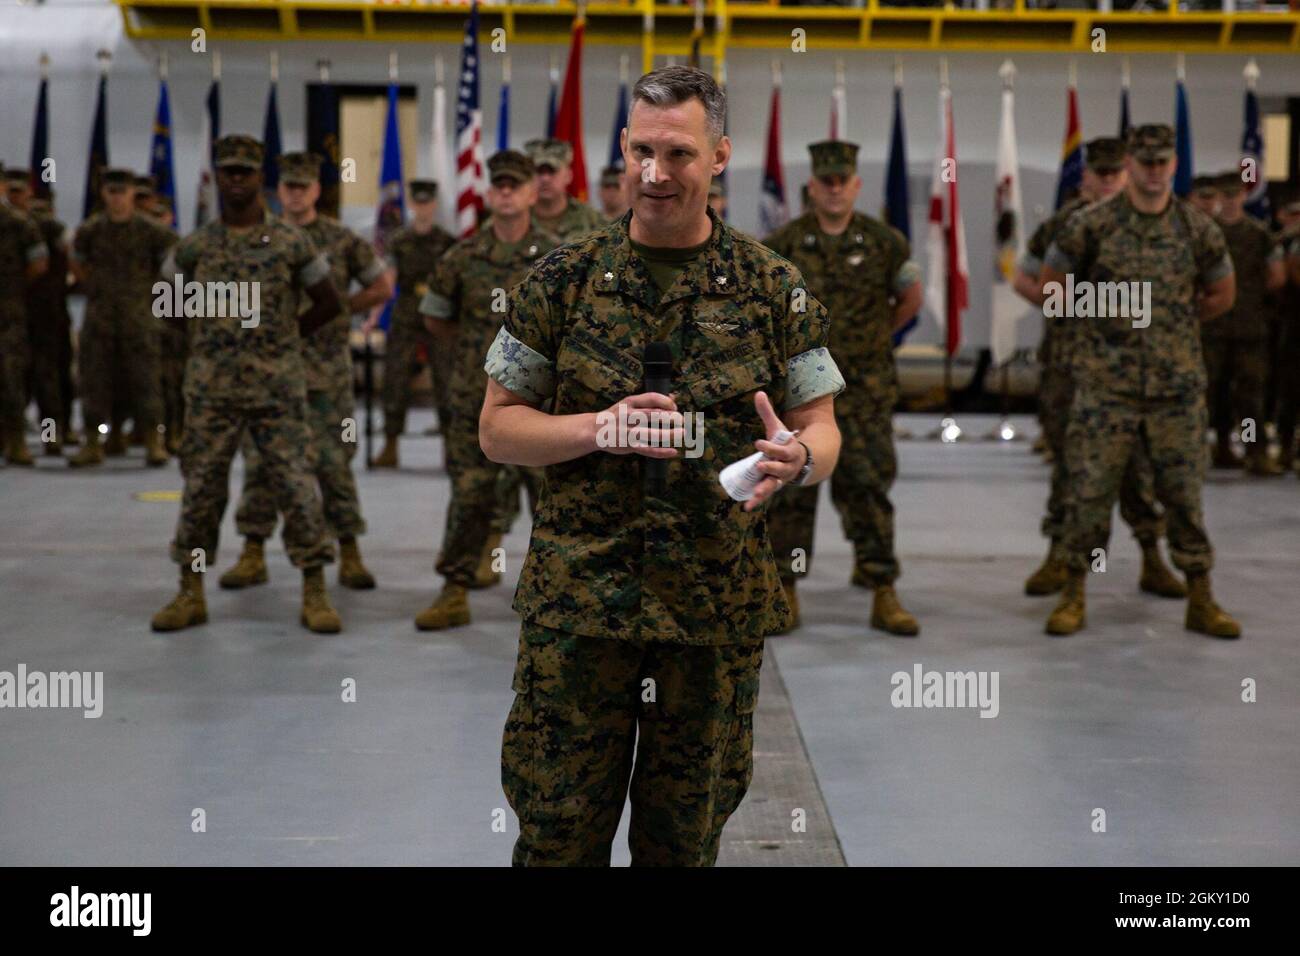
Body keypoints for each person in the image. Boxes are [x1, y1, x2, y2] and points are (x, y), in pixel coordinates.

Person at [482, 66, 844, 865]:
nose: (654, 174)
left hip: (710, 613)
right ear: (621, 149)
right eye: (640, 151)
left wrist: (799, 459)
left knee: (683, 843)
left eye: (676, 153)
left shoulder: (771, 288)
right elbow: (499, 431)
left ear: (719, 156)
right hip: (580, 609)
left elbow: (822, 428)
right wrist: (595, 428)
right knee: (557, 837)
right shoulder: (560, 281)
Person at [1039, 124, 1240, 639]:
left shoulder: (1197, 228)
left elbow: (1222, 293)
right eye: (1145, 161)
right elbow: (1051, 291)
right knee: (1089, 494)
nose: (1153, 171)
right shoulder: (1090, 225)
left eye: (1162, 162)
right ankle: (1073, 594)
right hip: (1107, 390)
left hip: (1176, 392)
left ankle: (1201, 596)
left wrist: (1176, 322)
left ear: (1174, 165)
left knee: (1183, 496)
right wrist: (1117, 310)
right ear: (1130, 163)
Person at [150, 135, 344, 634]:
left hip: (276, 391)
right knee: (201, 491)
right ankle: (189, 591)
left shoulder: (290, 241)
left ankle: (315, 589)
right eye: (228, 171)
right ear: (216, 177)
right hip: (211, 393)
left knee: (297, 487)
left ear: (261, 178)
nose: (237, 180)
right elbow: (164, 303)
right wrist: (204, 336)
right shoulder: (194, 247)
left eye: (246, 171)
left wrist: (283, 337)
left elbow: (328, 301)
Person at [762, 140, 922, 635]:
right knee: (793, 488)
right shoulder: (785, 244)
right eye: (825, 182)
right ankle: (785, 585)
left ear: (855, 186)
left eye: (842, 181)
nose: (834, 190)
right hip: (801, 390)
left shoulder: (884, 241)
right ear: (812, 187)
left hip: (866, 388)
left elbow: (909, 296)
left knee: (869, 485)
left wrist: (878, 339)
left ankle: (881, 586)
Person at [1014, 137, 1184, 599]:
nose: (1108, 181)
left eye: (1115, 173)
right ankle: (1058, 555)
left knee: (1139, 465)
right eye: (1100, 173)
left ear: (1126, 174)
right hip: (1070, 367)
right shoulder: (1061, 227)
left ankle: (1152, 555)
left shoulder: (1151, 224)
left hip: (1136, 368)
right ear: (1085, 175)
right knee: (1073, 467)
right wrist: (1064, 307)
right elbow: (1023, 277)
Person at [219, 151, 392, 592]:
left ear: (316, 190)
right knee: (260, 464)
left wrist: (343, 312)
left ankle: (348, 552)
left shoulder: (340, 239)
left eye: (304, 186)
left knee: (333, 464)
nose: (295, 194)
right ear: (279, 191)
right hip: (265, 373)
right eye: (288, 187)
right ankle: (252, 551)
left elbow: (382, 285)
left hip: (324, 373)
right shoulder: (254, 239)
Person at [413, 151, 557, 630]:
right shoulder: (462, 257)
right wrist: (482, 359)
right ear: (488, 194)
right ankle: (454, 589)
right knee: (470, 494)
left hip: (543, 407)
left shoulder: (559, 259)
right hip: (476, 401)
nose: (507, 193)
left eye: (516, 185)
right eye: (499, 186)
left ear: (533, 194)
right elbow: (435, 318)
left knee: (553, 498)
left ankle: (557, 594)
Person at [67, 168, 175, 468]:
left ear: (131, 193)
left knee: (146, 380)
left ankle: (154, 440)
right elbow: (75, 261)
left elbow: (174, 262)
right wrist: (94, 287)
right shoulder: (91, 230)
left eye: (122, 192)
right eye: (111, 192)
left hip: (139, 317)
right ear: (104, 193)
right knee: (95, 380)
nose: (117, 198)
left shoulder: (151, 230)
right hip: (100, 317)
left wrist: (152, 291)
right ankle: (93, 441)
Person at [370, 178, 455, 468]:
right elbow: (388, 281)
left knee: (446, 381)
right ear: (411, 205)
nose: (422, 208)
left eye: (427, 202)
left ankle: (451, 446)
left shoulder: (446, 242)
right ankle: (390, 445)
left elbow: (456, 284)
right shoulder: (400, 241)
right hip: (406, 316)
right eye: (417, 203)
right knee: (394, 379)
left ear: (433, 204)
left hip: (438, 316)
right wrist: (372, 317)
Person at [1206, 171, 1287, 475]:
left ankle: (1250, 448)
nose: (1229, 201)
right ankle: (1224, 446)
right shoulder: (1208, 234)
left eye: (1233, 195)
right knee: (1215, 393)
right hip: (1216, 327)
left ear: (1242, 195)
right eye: (1224, 196)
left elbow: (1276, 278)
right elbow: (1275, 277)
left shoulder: (1256, 235)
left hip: (1246, 330)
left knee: (1248, 396)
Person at [0, 165, 49, 466]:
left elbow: (38, 264)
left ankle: (16, 440)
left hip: (8, 313)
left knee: (10, 377)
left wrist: (11, 287)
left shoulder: (18, 224)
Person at [522, 138, 607, 241]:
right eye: (539, 171)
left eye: (552, 171)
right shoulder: (514, 218)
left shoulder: (593, 221)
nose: (545, 179)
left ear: (568, 176)